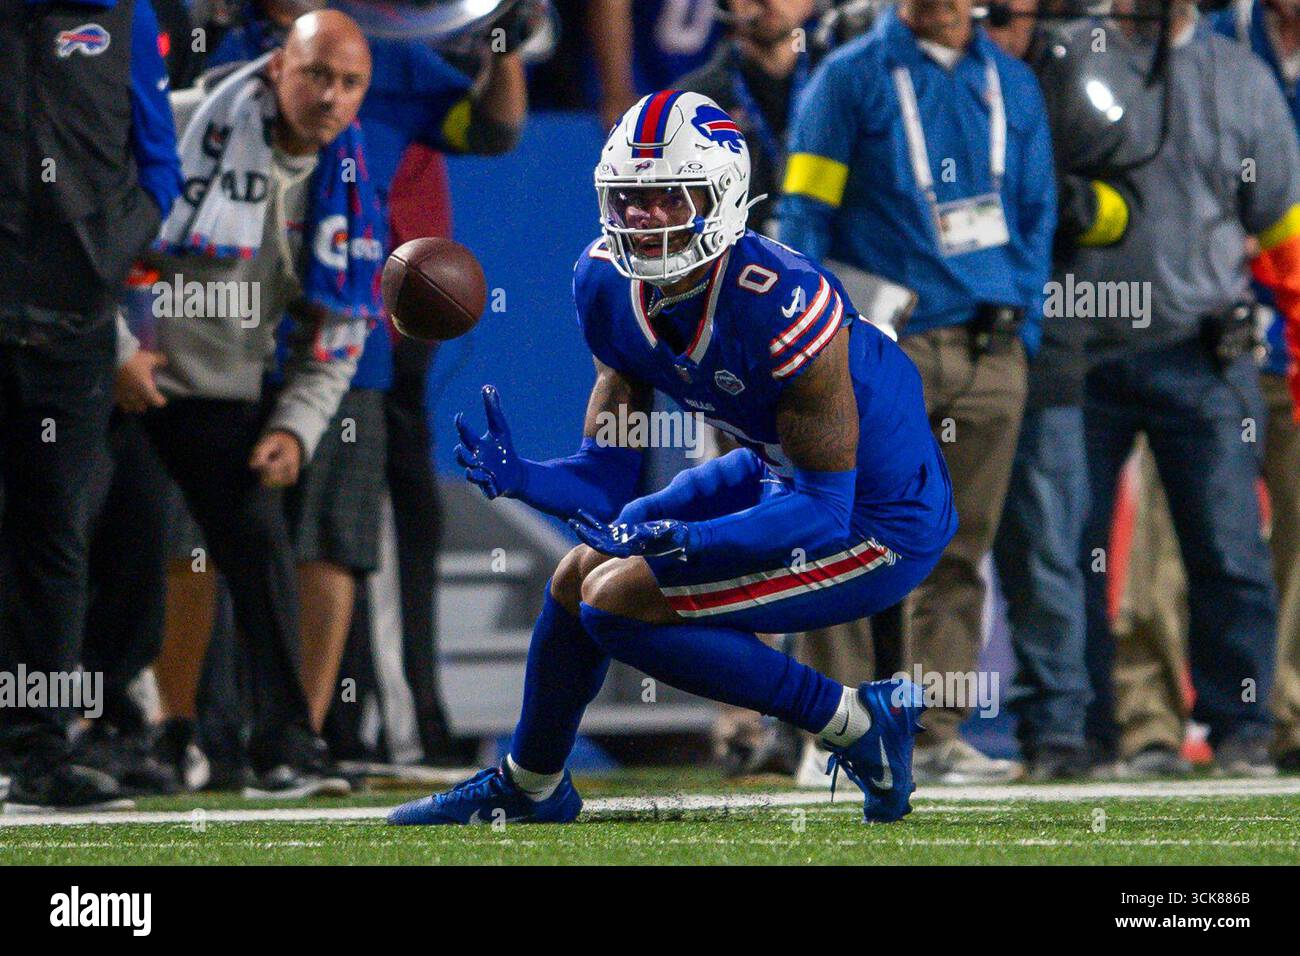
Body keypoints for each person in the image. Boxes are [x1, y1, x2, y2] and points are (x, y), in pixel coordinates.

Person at [387, 92, 956, 826]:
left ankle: (854, 722)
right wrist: (529, 478)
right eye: (629, 198)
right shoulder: (602, 283)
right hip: (774, 474)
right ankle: (531, 784)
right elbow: (610, 474)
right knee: (576, 577)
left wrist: (689, 541)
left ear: (722, 198)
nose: (643, 217)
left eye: (666, 197)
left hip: (879, 519)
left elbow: (823, 510)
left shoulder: (782, 302)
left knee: (618, 598)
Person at [779, 0, 1056, 784]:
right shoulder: (847, 79)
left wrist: (1024, 327)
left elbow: (1037, 214)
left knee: (960, 547)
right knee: (850, 538)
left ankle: (932, 731)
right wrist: (813, 345)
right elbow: (804, 217)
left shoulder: (1013, 84)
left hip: (992, 348)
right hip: (884, 346)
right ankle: (834, 727)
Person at [113, 9, 383, 796]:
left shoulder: (349, 183)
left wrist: (295, 429)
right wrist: (121, 351)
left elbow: (340, 332)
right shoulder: (191, 122)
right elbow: (94, 229)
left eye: (349, 83)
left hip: (215, 391)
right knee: (108, 546)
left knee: (259, 543)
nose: (330, 97)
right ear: (276, 70)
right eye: (316, 75)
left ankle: (284, 743)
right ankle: (105, 731)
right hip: (115, 375)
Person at [1055, 0, 1300, 776]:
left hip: (1202, 349)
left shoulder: (1243, 78)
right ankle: (1087, 735)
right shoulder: (1063, 57)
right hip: (1079, 349)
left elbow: (1282, 227)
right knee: (1069, 552)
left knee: (1229, 551)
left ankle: (1241, 728)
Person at [0, 0, 181, 812]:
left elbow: (159, 169)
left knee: (53, 536)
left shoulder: (129, 18)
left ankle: (37, 751)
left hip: (70, 330)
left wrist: (101, 262)